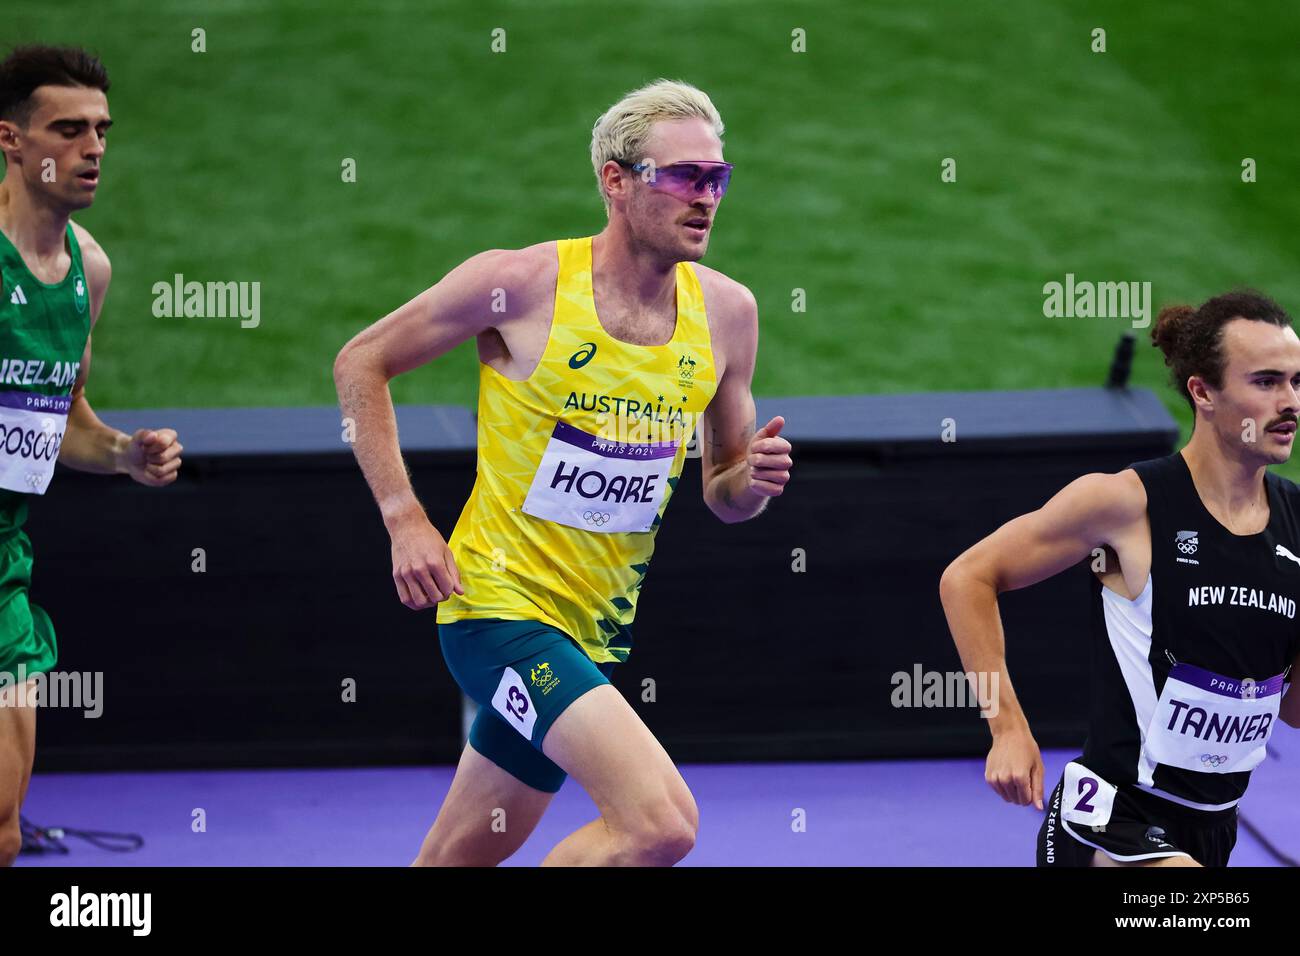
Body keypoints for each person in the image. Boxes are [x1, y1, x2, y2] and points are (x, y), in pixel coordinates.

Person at [335, 78, 791, 866]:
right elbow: (362, 361)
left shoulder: (729, 314)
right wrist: (405, 516)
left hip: (596, 633)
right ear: (616, 181)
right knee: (661, 822)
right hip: (496, 611)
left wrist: (747, 486)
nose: (707, 196)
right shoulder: (521, 284)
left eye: (718, 178)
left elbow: (721, 492)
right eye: (684, 176)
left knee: (454, 860)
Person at [940, 291, 1300, 866]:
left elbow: (1289, 702)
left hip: (1213, 828)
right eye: (1266, 382)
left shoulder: (1296, 524)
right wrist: (1006, 728)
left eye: (1296, 382)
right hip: (1110, 817)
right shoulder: (1125, 504)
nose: (1290, 403)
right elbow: (968, 578)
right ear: (1203, 392)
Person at [0, 44, 184, 866]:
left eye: (102, 130)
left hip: (6, 565)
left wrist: (121, 454)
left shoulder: (89, 269)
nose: (93, 148)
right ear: (11, 140)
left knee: (3, 828)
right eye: (67, 130)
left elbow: (60, 415)